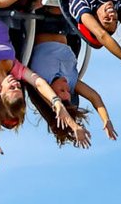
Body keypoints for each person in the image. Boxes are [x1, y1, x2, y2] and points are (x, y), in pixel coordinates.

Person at [0, 15, 86, 165]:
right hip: (4, 11)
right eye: (18, 86)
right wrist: (59, 106)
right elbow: (39, 83)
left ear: (1, 92)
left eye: (12, 88)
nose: (15, 83)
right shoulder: (16, 68)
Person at [25, 13, 99, 149]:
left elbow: (56, 104)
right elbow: (94, 97)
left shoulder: (40, 83)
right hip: (64, 26)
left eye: (62, 90)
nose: (66, 86)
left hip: (43, 22)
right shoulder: (70, 80)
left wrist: (74, 126)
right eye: (68, 92)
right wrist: (106, 120)